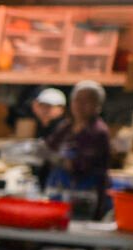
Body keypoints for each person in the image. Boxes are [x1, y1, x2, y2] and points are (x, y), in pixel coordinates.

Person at [46, 80, 113, 220]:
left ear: (98, 106)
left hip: (85, 201)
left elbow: (80, 166)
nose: (80, 105)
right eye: (77, 100)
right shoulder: (66, 127)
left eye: (87, 101)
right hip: (58, 195)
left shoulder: (98, 132)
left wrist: (56, 159)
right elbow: (48, 148)